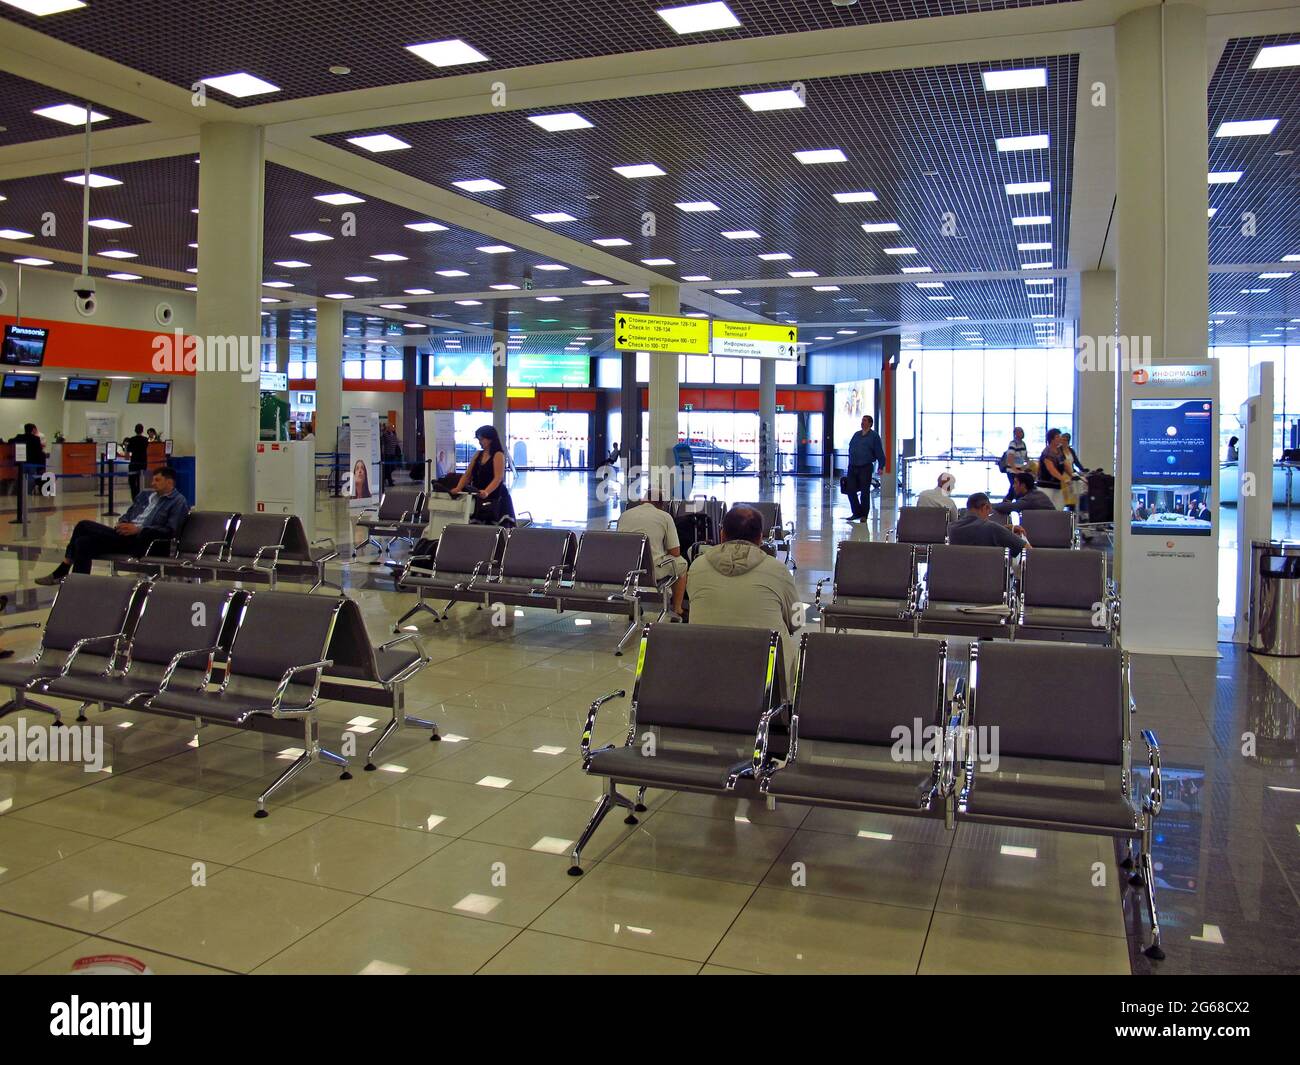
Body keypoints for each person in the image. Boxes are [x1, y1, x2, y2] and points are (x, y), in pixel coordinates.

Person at [686, 505, 802, 694]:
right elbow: (797, 621)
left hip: (706, 673)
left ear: (722, 534)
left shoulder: (697, 566)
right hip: (767, 680)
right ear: (760, 538)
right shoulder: (778, 569)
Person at [35, 466, 190, 584]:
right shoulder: (145, 496)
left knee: (83, 525)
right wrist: (123, 523)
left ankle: (63, 569)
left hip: (143, 541)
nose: (153, 483)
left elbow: (170, 530)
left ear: (169, 482)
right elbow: (128, 514)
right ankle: (78, 584)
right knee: (83, 543)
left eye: (157, 480)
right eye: (153, 480)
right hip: (124, 537)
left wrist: (138, 529)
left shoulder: (177, 502)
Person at [617, 492, 687, 619]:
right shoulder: (665, 517)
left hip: (626, 570)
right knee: (682, 564)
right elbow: (675, 552)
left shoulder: (624, 515)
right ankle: (677, 608)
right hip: (652, 571)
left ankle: (634, 602)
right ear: (661, 505)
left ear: (643, 501)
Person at [452, 424, 515, 524]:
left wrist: (486, 492)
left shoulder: (498, 455)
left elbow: (498, 478)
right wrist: (458, 488)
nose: (480, 442)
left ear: (490, 439)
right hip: (478, 494)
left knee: (494, 526)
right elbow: (468, 475)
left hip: (495, 495)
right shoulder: (478, 454)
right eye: (479, 440)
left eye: (481, 439)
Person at [948, 492, 1031, 558]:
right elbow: (1027, 550)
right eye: (989, 513)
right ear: (985, 507)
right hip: (989, 576)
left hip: (958, 577)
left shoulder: (952, 528)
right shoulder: (992, 528)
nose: (988, 517)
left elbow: (973, 530)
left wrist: (1007, 528)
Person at [845, 414, 886, 521]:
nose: (862, 422)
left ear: (870, 423)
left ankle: (864, 514)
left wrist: (881, 466)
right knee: (850, 490)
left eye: (865, 421)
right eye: (862, 420)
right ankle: (856, 512)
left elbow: (879, 452)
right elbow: (851, 447)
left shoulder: (874, 436)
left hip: (865, 467)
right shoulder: (856, 435)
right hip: (853, 466)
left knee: (864, 491)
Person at [9, 422, 46, 495]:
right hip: (32, 463)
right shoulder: (36, 438)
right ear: (32, 430)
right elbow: (39, 451)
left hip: (21, 462)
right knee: (31, 478)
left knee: (20, 478)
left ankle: (20, 493)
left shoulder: (19, 437)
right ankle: (28, 493)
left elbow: (10, 441)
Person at [1036, 429, 1067, 508]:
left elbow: (1065, 464)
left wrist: (1072, 475)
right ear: (1052, 439)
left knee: (1059, 508)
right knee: (1046, 509)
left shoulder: (1059, 451)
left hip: (1057, 485)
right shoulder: (1047, 452)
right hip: (1046, 486)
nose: (1060, 438)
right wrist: (1063, 479)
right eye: (1057, 437)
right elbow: (1051, 469)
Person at [1000, 427, 1029, 498]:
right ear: (1015, 434)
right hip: (1012, 470)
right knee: (1014, 488)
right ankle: (1007, 504)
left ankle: (1007, 504)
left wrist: (1029, 463)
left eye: (1022, 432)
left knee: (1015, 489)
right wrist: (1015, 470)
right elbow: (1010, 458)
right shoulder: (1013, 444)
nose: (1021, 434)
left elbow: (1025, 457)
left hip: (1019, 469)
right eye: (1019, 432)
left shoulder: (1023, 444)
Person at [124, 423, 149, 498]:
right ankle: (140, 497)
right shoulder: (145, 440)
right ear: (142, 430)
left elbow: (127, 455)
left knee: (132, 482)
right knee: (140, 482)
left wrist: (126, 446)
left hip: (134, 463)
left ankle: (134, 497)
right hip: (143, 463)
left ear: (135, 430)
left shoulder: (132, 440)